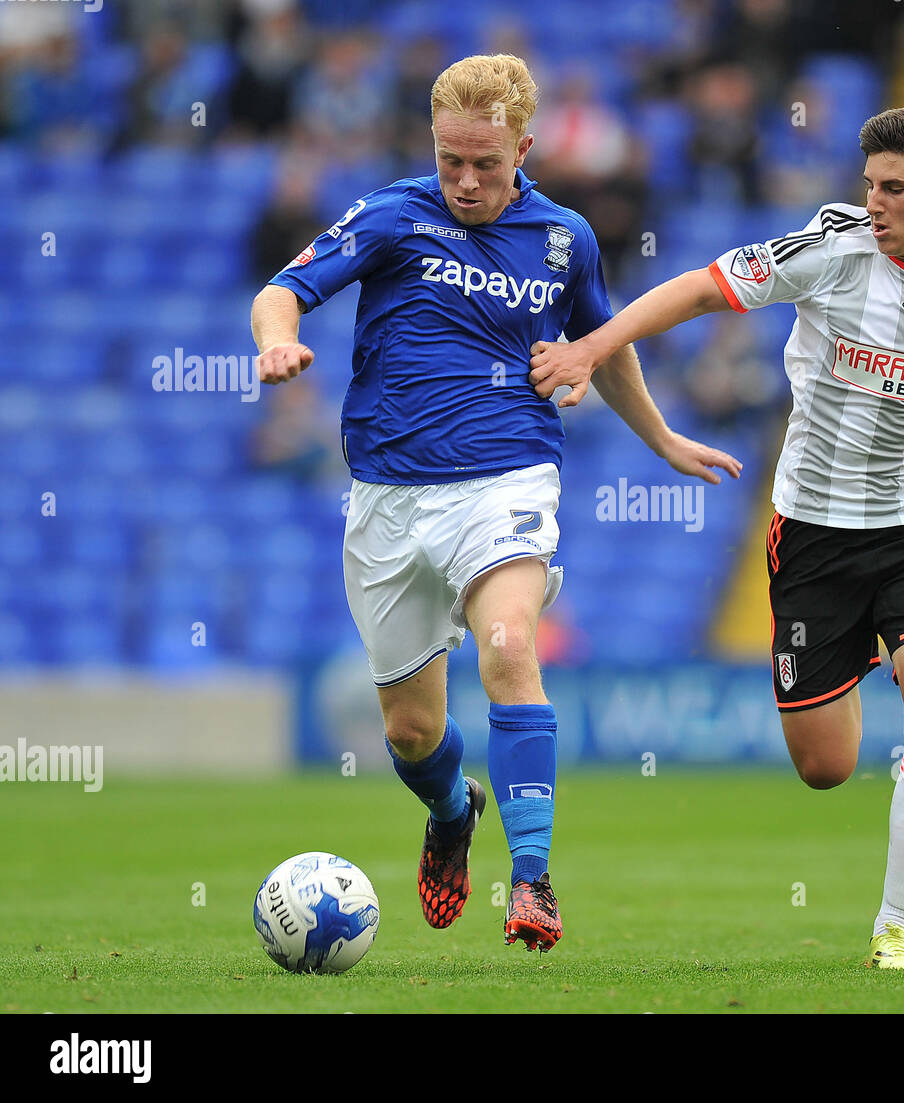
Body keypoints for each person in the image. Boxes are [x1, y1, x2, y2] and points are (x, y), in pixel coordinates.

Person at [530, 105, 904, 969]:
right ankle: (875, 652)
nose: (873, 202)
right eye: (868, 184)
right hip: (813, 527)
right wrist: (591, 346)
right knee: (825, 765)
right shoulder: (829, 250)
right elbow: (698, 287)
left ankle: (895, 928)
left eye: (895, 189)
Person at [250, 54, 740, 953]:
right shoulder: (394, 214)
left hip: (506, 477)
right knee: (411, 731)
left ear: (524, 145)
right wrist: (278, 343)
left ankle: (534, 881)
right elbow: (282, 288)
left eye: (486, 161)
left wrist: (662, 439)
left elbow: (601, 342)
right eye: (450, 161)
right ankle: (450, 808)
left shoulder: (566, 237)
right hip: (388, 497)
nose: (467, 181)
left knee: (511, 644)